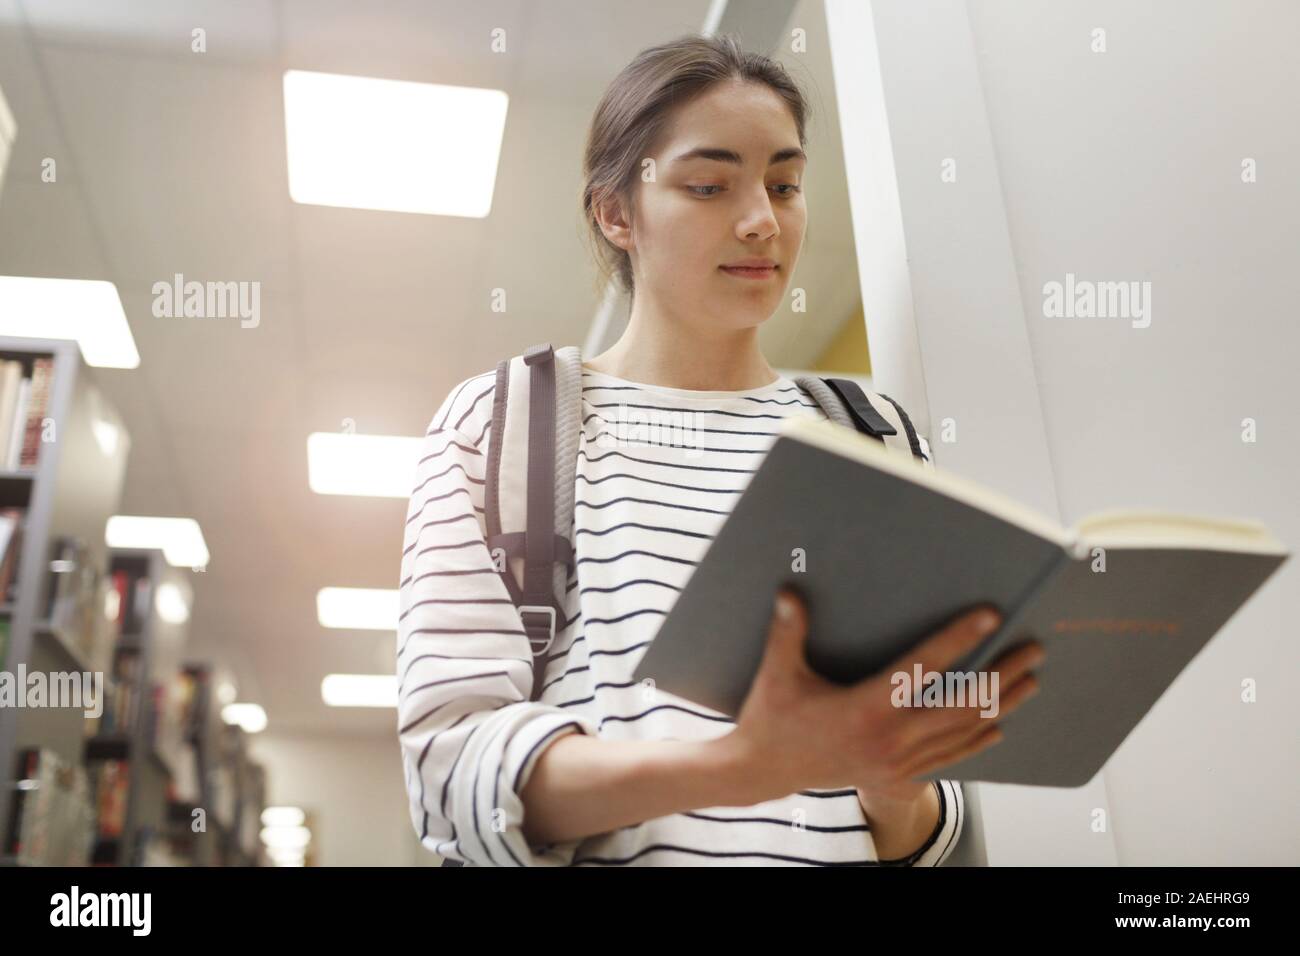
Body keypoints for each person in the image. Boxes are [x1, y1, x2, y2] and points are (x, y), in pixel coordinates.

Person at [396, 33, 1044, 866]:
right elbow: (450, 771)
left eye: (785, 184)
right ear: (616, 211)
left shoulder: (870, 436)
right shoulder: (505, 424)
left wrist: (891, 776)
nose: (761, 221)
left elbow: (924, 816)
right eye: (709, 185)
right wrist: (738, 767)